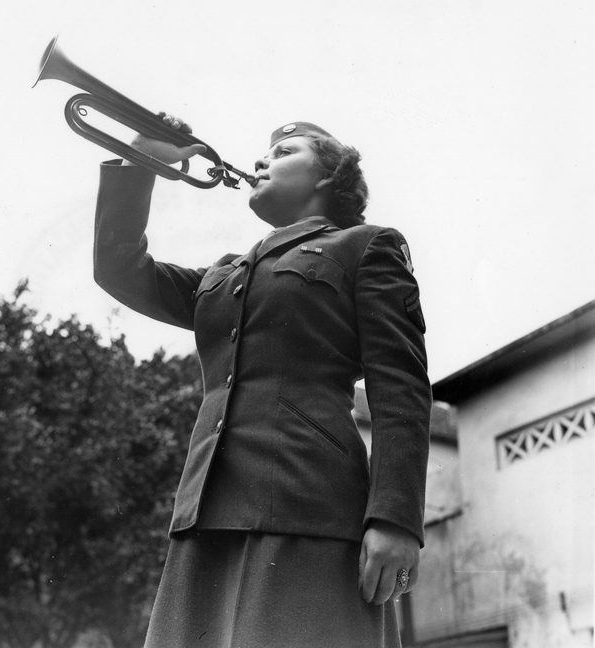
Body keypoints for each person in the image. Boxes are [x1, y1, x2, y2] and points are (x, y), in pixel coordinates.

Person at [92, 117, 431, 648]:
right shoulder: (223, 274)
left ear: (329, 174)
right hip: (203, 522)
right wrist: (141, 157)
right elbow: (118, 267)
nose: (261, 161)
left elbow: (401, 385)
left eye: (284, 151)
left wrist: (395, 519)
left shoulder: (365, 246)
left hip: (308, 511)